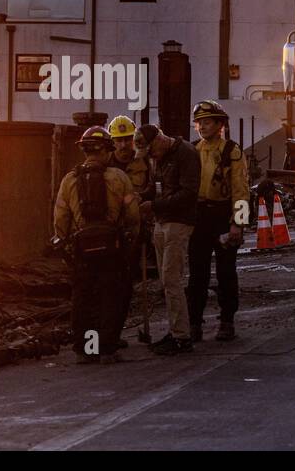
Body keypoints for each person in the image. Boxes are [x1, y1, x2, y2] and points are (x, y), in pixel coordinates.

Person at [54, 126, 140, 363]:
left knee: (83, 298)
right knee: (110, 297)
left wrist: (66, 242)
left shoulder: (69, 180)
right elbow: (132, 214)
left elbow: (61, 217)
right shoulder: (119, 178)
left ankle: (85, 350)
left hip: (82, 247)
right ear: (106, 150)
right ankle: (107, 350)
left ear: (84, 150)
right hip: (112, 247)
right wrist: (130, 239)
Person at [187, 100, 248, 342]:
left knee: (226, 272)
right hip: (199, 218)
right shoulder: (192, 150)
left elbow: (241, 190)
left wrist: (237, 224)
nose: (202, 126)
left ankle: (227, 321)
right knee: (197, 274)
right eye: (199, 122)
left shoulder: (231, 151)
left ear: (219, 124)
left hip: (223, 216)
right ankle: (194, 323)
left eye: (207, 122)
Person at [137, 123, 200, 355]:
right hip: (163, 221)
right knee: (167, 280)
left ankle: (182, 337)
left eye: (151, 151)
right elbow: (156, 187)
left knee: (172, 279)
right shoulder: (159, 158)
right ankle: (176, 331)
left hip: (178, 222)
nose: (151, 157)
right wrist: (142, 196)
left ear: (159, 140)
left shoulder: (186, 154)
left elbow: (188, 194)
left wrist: (153, 205)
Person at [107, 114, 152, 347]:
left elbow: (153, 191)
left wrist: (142, 200)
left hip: (134, 231)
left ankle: (116, 332)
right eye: (118, 140)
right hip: (110, 232)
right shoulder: (105, 166)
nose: (123, 145)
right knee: (109, 284)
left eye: (127, 139)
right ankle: (110, 333)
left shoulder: (145, 164)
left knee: (127, 284)